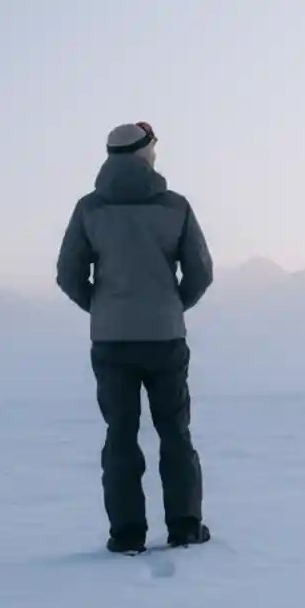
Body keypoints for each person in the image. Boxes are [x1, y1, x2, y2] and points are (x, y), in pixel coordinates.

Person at [56, 122, 214, 553]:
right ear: (145, 153)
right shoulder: (175, 206)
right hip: (165, 338)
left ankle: (127, 535)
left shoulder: (89, 209)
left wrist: (104, 308)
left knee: (120, 434)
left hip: (111, 342)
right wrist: (169, 306)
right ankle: (184, 526)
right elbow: (200, 272)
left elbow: (68, 275)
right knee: (175, 433)